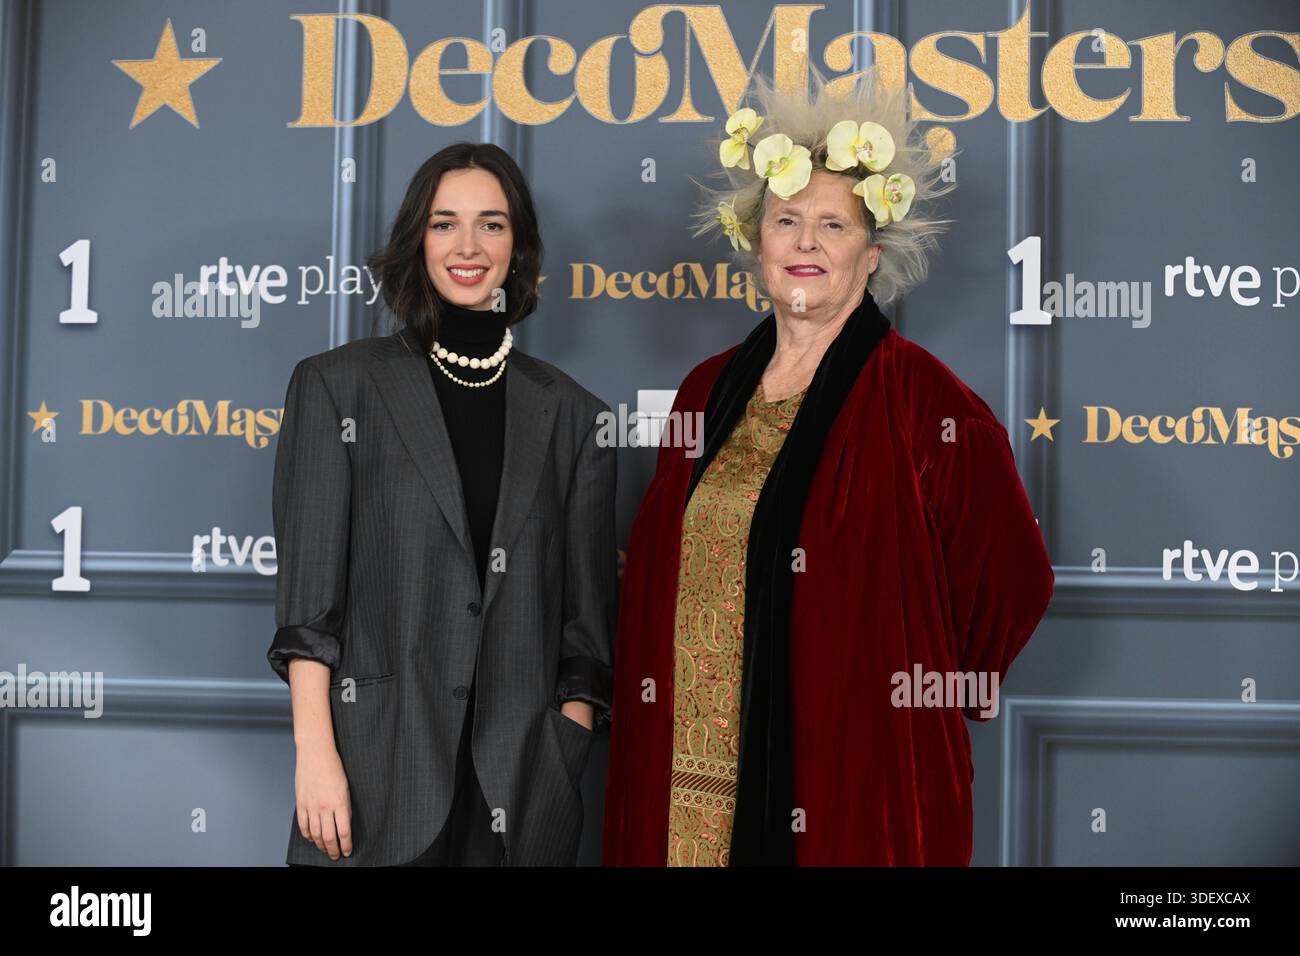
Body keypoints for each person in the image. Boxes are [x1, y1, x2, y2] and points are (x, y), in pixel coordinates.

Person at [602, 68, 1054, 866]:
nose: (806, 242)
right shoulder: (705, 390)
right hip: (686, 776)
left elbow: (1012, 574)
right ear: (758, 241)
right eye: (787, 220)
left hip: (848, 777)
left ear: (872, 255)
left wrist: (922, 692)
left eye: (832, 226)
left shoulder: (926, 401)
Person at [268, 142, 616, 866]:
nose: (467, 246)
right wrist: (316, 756)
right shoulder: (339, 388)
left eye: (491, 225)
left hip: (521, 795)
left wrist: (565, 745)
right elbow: (309, 613)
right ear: (414, 242)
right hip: (371, 778)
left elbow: (587, 631)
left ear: (518, 247)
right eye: (443, 223)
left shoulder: (574, 416)